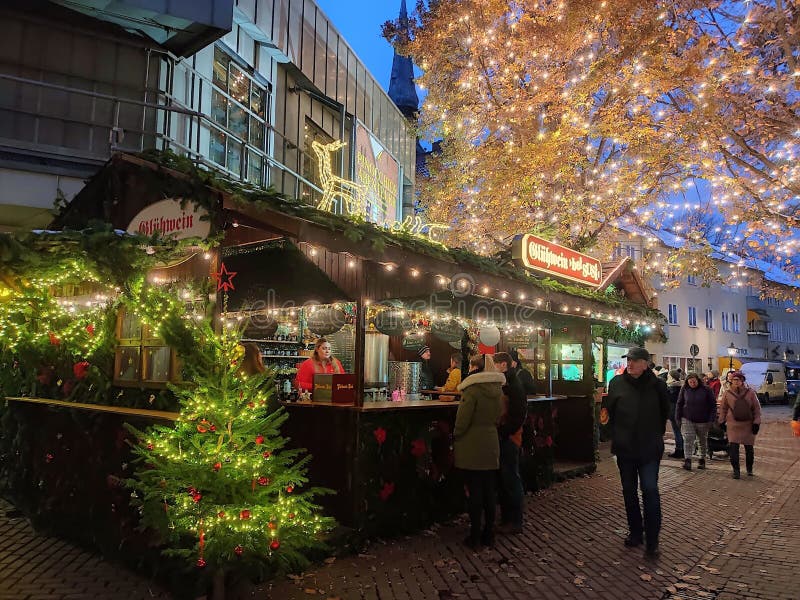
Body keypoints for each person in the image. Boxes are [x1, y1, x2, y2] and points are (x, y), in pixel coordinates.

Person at [601, 347, 670, 559]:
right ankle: (636, 531)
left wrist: (653, 435)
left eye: (634, 360)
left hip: (649, 448)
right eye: (628, 360)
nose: (629, 364)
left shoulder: (658, 386)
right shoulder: (616, 383)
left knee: (649, 490)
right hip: (625, 449)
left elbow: (664, 413)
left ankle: (652, 541)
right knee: (629, 492)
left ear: (646, 363)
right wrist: (613, 435)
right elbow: (607, 412)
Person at [454, 354, 505, 548]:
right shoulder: (497, 389)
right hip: (491, 442)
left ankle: (475, 535)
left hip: (472, 443)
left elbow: (462, 420)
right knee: (489, 491)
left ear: (477, 369)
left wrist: (456, 435)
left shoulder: (472, 390)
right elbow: (500, 415)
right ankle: (489, 534)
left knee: (474, 491)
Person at [492, 352, 527, 535]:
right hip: (507, 436)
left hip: (510, 438)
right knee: (506, 479)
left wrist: (504, 432)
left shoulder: (513, 386)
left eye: (495, 365)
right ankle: (508, 519)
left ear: (503, 365)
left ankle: (515, 521)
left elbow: (518, 415)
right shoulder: (509, 383)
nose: (493, 368)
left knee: (510, 479)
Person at [718, 371, 762, 479]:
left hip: (748, 424)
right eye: (734, 380)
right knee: (733, 448)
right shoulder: (727, 393)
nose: (736, 382)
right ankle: (736, 471)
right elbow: (723, 408)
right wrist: (721, 421)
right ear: (731, 381)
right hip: (733, 425)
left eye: (738, 380)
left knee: (749, 448)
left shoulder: (750, 393)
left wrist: (756, 423)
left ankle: (749, 469)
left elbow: (756, 409)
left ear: (742, 381)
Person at [675, 372, 717, 471]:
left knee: (701, 440)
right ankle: (688, 460)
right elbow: (679, 403)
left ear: (698, 381)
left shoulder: (707, 390)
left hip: (703, 419)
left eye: (694, 382)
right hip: (687, 417)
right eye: (690, 382)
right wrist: (678, 417)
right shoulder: (684, 389)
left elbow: (712, 406)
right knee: (688, 439)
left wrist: (711, 419)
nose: (692, 384)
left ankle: (702, 459)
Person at [666, 369, 684, 459]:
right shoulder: (681, 386)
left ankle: (679, 449)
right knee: (679, 431)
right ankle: (681, 449)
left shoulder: (672, 387)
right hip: (678, 411)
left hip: (674, 412)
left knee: (677, 431)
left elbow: (670, 399)